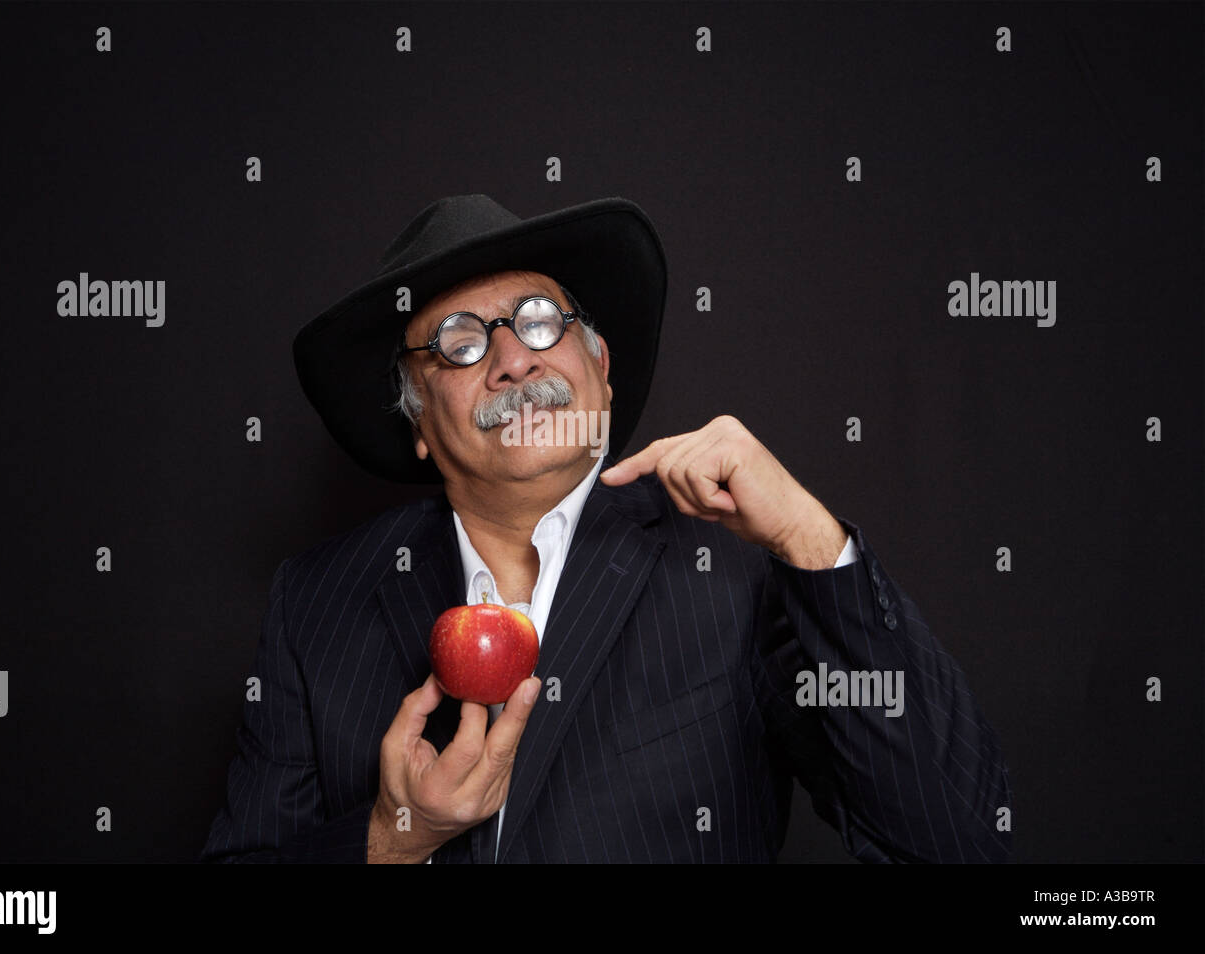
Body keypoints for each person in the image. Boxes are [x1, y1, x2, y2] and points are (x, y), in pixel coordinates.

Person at [200, 194, 1013, 863]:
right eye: (459, 343)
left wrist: (810, 539)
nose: (513, 359)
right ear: (417, 422)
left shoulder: (731, 569)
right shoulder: (316, 604)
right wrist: (389, 838)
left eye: (542, 321)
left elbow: (954, 840)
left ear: (603, 367)